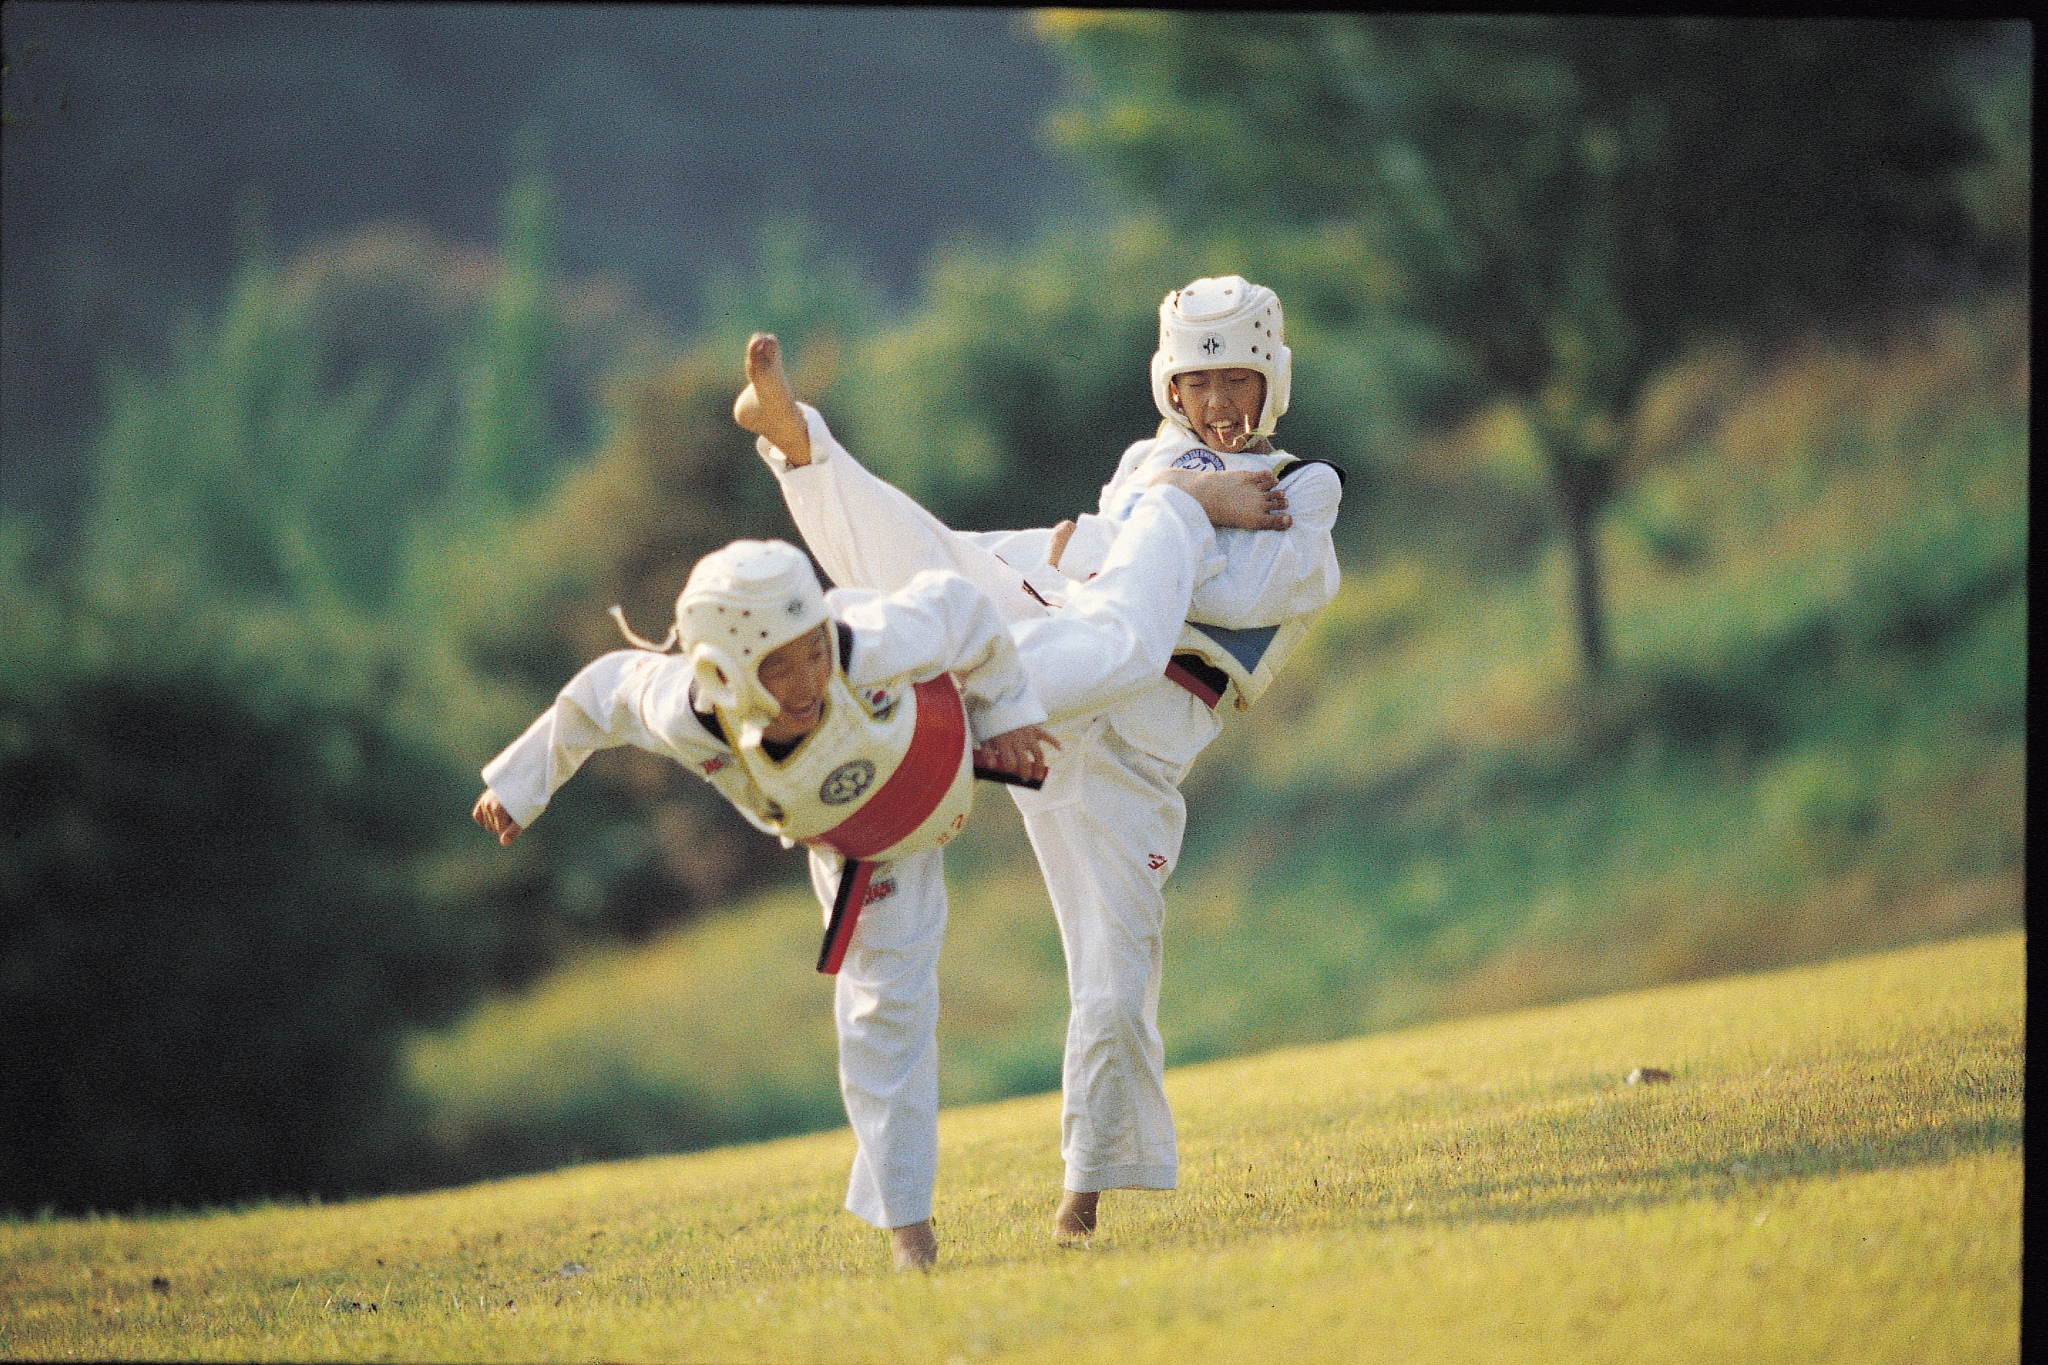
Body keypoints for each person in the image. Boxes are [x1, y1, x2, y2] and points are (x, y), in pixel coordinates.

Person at [471, 426, 1287, 1271]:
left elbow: (965, 611)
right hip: (867, 837)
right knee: (881, 1013)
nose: (808, 679)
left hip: (945, 711)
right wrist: (521, 783)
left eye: (815, 649)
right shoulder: (681, 707)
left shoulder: (869, 645)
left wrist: (1006, 719)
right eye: (781, 667)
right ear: (721, 672)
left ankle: (1167, 511)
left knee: (1112, 649)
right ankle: (910, 1234)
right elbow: (596, 694)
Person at [732, 275, 1342, 1244]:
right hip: (1074, 640)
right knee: (945, 568)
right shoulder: (1151, 462)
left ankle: (1084, 1191)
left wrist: (1159, 517)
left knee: (1112, 977)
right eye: (1196, 385)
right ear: (1167, 391)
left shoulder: (1306, 485)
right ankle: (802, 448)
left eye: (1236, 382)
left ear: (1272, 383)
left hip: (1134, 748)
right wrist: (1184, 500)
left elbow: (1245, 592)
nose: (1217, 405)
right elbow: (1121, 553)